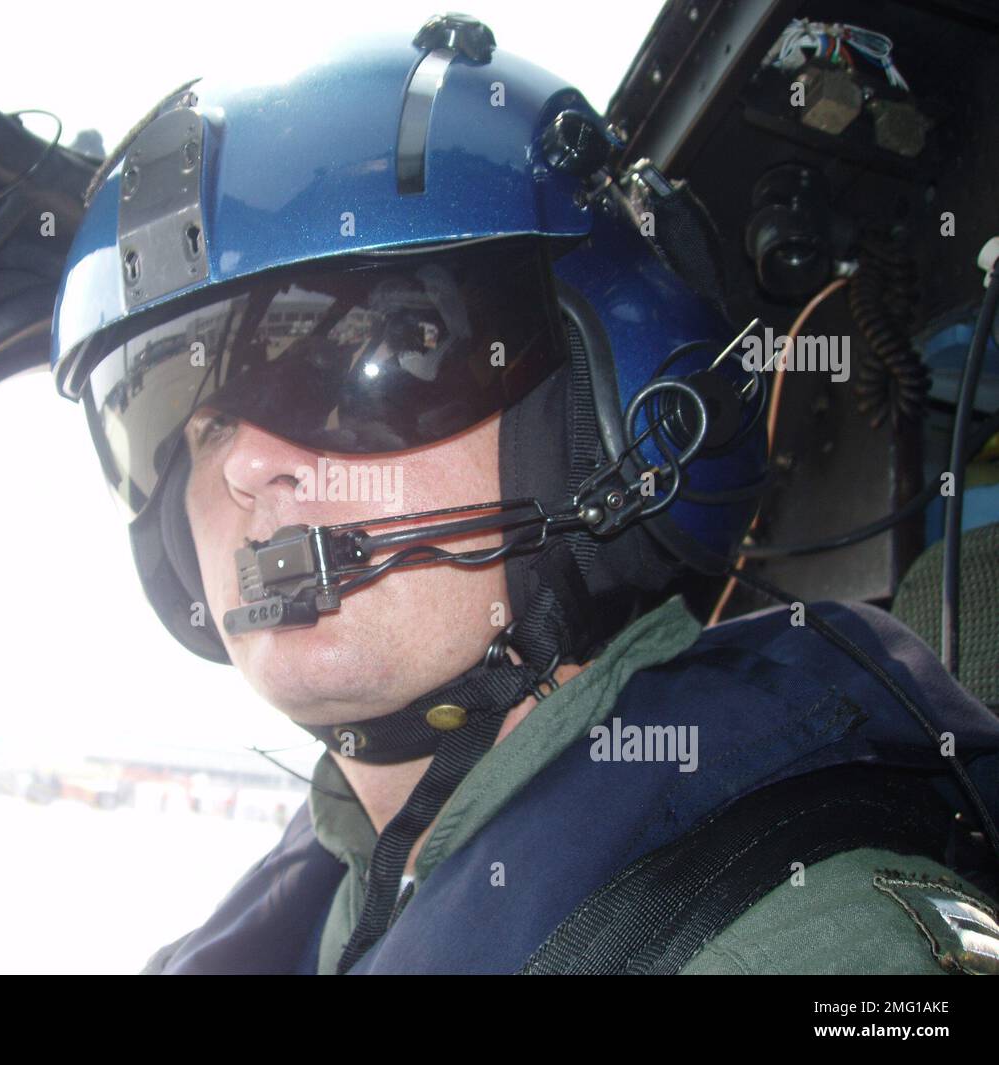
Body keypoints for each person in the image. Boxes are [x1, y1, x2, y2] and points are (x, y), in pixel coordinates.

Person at [50, 14, 999, 974]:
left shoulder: (812, 937)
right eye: (201, 427)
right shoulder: (329, 899)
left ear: (604, 421)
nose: (243, 465)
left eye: (366, 365)